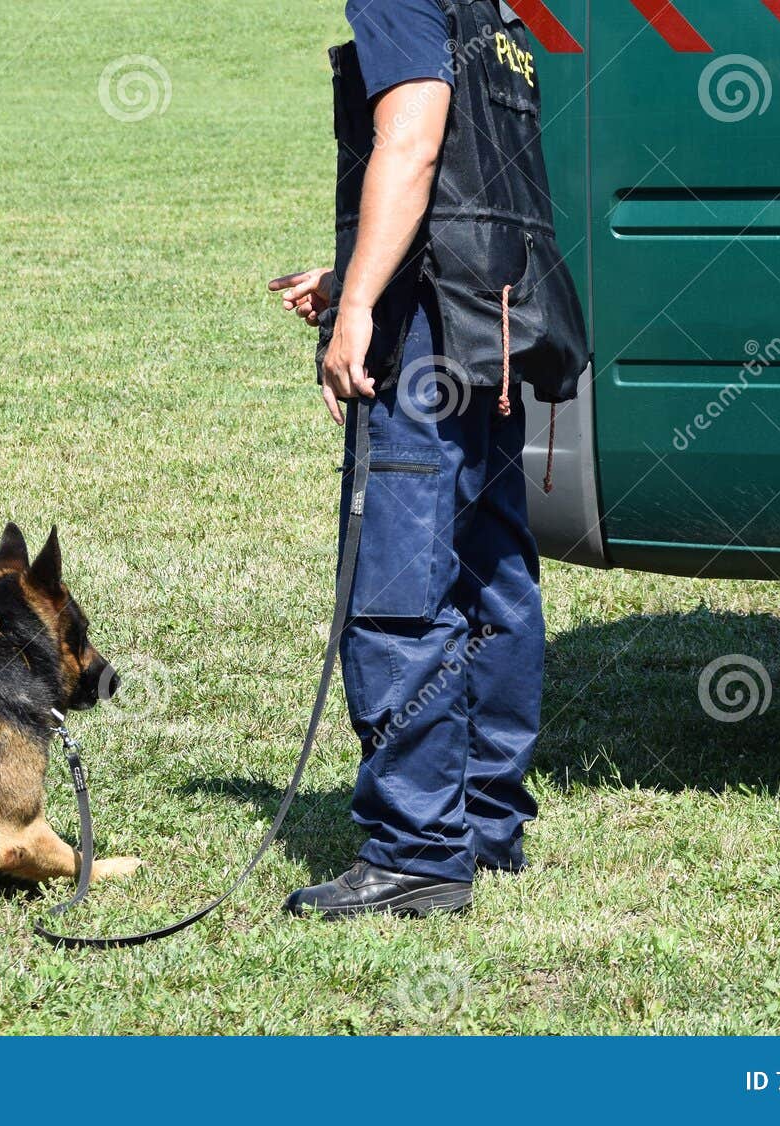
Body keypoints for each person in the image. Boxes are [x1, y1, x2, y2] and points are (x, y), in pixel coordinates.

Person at [268, 0, 589, 918]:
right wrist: (352, 273)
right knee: (493, 579)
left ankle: (416, 851)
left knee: (399, 595)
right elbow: (469, 183)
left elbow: (411, 141)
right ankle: (485, 822)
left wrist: (360, 305)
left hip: (426, 346)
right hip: (489, 331)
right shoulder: (490, 12)